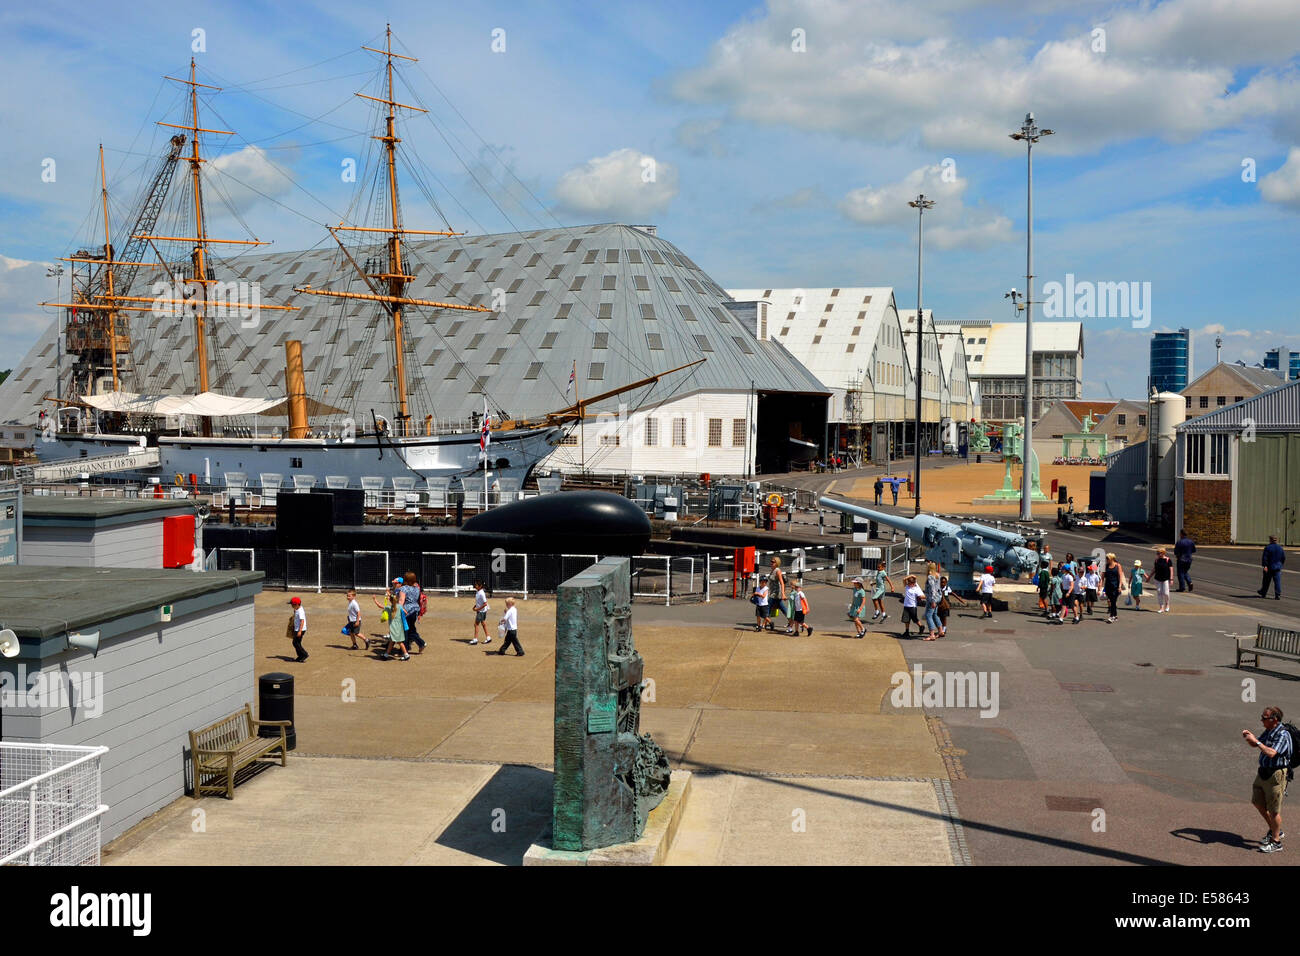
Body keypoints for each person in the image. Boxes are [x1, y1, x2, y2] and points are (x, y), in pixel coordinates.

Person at [1244, 705, 1292, 853]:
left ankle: (1276, 841)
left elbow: (1271, 753)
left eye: (1264, 718)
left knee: (1274, 811)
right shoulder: (1269, 730)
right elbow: (1257, 744)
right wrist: (1250, 738)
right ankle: (1275, 829)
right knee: (1257, 802)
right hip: (1263, 772)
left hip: (1276, 775)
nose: (1261, 720)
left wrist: (1257, 742)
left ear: (1274, 719)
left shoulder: (1283, 734)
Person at [373, 577, 410, 660]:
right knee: (392, 641)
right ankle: (386, 654)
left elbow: (380, 606)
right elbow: (405, 612)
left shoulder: (389, 608)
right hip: (399, 626)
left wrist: (375, 600)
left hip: (394, 627)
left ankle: (406, 655)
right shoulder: (399, 606)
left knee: (399, 642)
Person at [400, 571, 425, 654]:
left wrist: (399, 608)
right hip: (415, 610)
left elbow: (401, 601)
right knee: (411, 629)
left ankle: (405, 650)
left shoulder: (404, 588)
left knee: (405, 631)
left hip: (406, 611)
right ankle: (421, 643)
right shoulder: (417, 588)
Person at [1102, 552, 1127, 623]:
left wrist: (1119, 586)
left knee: (1112, 601)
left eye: (1107, 558)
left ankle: (1111, 616)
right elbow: (1102, 577)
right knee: (1111, 601)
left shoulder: (1118, 566)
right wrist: (1100, 586)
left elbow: (1120, 576)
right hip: (1108, 586)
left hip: (1115, 586)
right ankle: (1115, 616)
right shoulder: (1106, 566)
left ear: (1112, 559)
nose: (1106, 559)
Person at [1260, 535, 1286, 600]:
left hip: (1269, 567)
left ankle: (1263, 592)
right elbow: (1283, 558)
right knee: (1277, 581)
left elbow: (1265, 558)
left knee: (1266, 581)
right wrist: (1280, 564)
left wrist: (1265, 566)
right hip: (1277, 567)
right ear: (1276, 540)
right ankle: (1278, 594)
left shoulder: (1268, 548)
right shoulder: (1280, 548)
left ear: (1270, 540)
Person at [922, 563, 943, 641]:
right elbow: (938, 588)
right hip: (938, 598)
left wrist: (933, 600)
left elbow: (932, 589)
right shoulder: (938, 575)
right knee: (934, 614)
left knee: (928, 616)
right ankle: (940, 631)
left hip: (932, 599)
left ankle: (932, 634)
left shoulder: (930, 577)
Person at [770, 556, 791, 634]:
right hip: (772, 592)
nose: (771, 563)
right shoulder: (772, 570)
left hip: (776, 593)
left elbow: (782, 583)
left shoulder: (778, 571)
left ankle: (765, 623)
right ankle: (792, 621)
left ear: (777, 563)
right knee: (782, 608)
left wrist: (783, 593)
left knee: (768, 607)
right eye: (771, 561)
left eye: (773, 562)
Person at [469, 579, 492, 645]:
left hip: (481, 611)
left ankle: (475, 639)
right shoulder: (478, 591)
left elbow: (485, 603)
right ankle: (488, 638)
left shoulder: (481, 593)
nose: (475, 586)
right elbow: (479, 602)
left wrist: (477, 609)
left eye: (476, 585)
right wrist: (475, 606)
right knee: (483, 624)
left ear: (480, 586)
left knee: (476, 624)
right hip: (481, 611)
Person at [1153, 547, 1173, 613]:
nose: (1157, 554)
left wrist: (1171, 579)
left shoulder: (1168, 560)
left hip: (1165, 578)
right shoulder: (1156, 560)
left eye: (1159, 553)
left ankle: (1167, 605)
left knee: (1166, 593)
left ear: (1163, 553)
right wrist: (1149, 577)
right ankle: (1161, 607)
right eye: (1157, 553)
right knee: (1159, 592)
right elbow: (1154, 569)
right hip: (1158, 578)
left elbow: (1171, 570)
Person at [288, 596, 308, 662]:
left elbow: (302, 621)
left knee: (295, 643)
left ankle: (304, 654)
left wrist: (299, 631)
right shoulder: (297, 609)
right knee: (297, 643)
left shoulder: (300, 611)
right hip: (297, 629)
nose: (291, 606)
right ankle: (300, 656)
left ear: (296, 605)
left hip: (300, 629)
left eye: (292, 604)